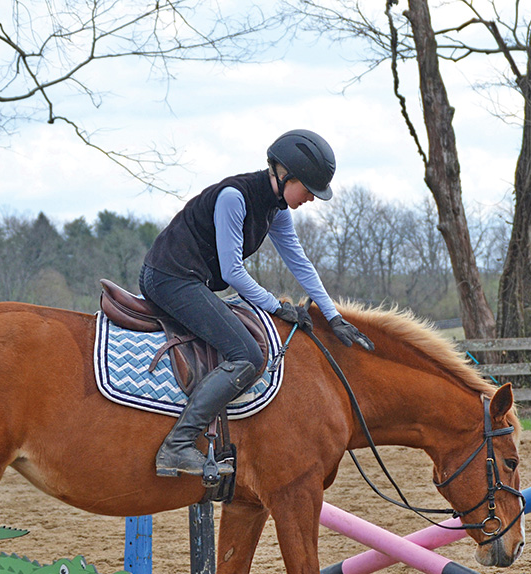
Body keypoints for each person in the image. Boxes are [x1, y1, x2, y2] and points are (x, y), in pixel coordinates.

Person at [140, 129, 374, 478]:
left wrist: (333, 316)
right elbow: (233, 271)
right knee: (248, 354)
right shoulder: (234, 197)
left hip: (191, 280)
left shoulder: (275, 209)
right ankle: (178, 445)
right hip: (169, 279)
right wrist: (277, 306)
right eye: (309, 189)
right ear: (285, 176)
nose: (310, 198)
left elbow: (299, 261)